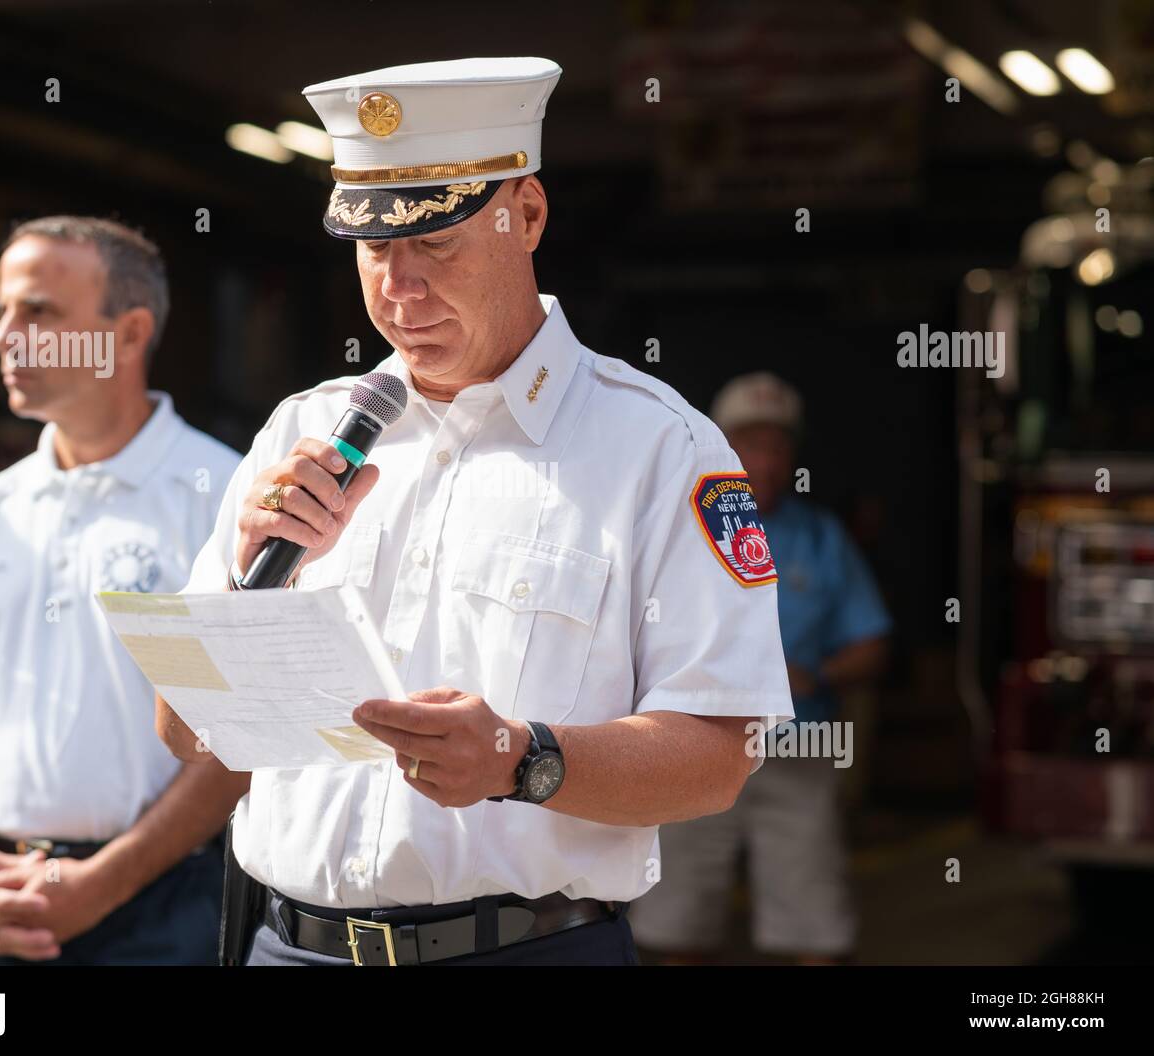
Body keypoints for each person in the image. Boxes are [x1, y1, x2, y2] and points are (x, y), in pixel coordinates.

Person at [157, 58, 793, 966]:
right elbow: (187, 737)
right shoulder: (302, 430)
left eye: (437, 243)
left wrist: (521, 760)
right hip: (290, 948)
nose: (399, 289)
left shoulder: (661, 450)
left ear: (526, 215)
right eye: (375, 249)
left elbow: (719, 754)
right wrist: (246, 583)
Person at [0, 217, 247, 965]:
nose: (2, 337)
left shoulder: (226, 497)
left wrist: (101, 886)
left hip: (156, 919)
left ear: (130, 330)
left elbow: (242, 738)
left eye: (37, 311)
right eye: (1, 312)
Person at [631, 372, 891, 965]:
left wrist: (818, 674)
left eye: (778, 445)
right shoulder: (678, 525)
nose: (765, 459)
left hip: (797, 745)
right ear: (720, 444)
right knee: (677, 923)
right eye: (750, 442)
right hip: (690, 741)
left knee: (812, 924)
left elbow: (872, 643)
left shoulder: (822, 537)